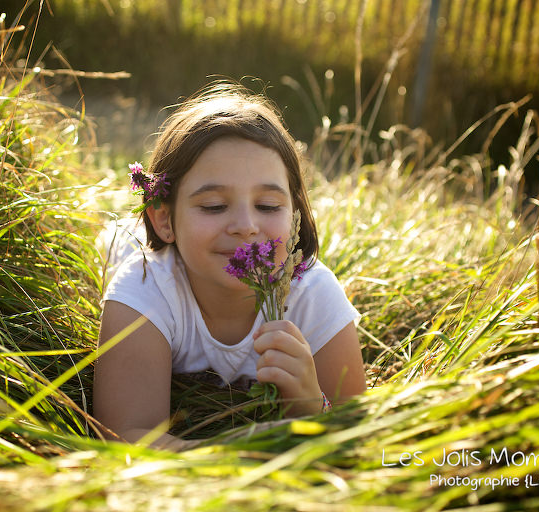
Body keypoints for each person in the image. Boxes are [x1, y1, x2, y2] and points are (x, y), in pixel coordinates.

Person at [93, 82, 365, 450]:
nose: (246, 226)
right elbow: (126, 437)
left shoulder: (313, 294)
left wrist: (310, 406)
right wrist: (245, 457)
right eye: (214, 206)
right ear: (165, 220)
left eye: (268, 206)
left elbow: (356, 434)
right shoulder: (143, 288)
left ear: (295, 215)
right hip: (134, 250)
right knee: (115, 240)